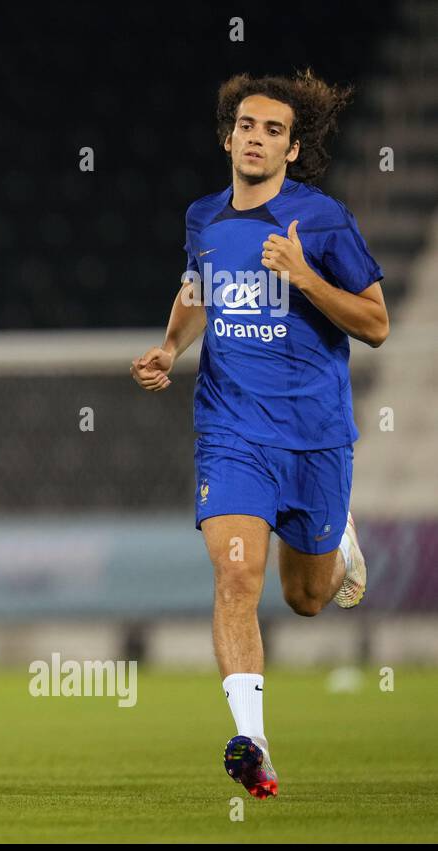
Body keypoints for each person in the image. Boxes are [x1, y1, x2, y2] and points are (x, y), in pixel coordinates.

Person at [131, 70, 388, 799]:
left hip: (315, 437)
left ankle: (337, 539)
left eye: (274, 130)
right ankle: (254, 738)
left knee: (307, 598)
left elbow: (375, 325)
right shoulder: (205, 219)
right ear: (228, 137)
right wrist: (170, 347)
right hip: (232, 431)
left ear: (292, 147)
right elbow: (196, 290)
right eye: (248, 125)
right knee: (236, 575)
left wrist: (306, 277)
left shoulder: (323, 221)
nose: (257, 138)